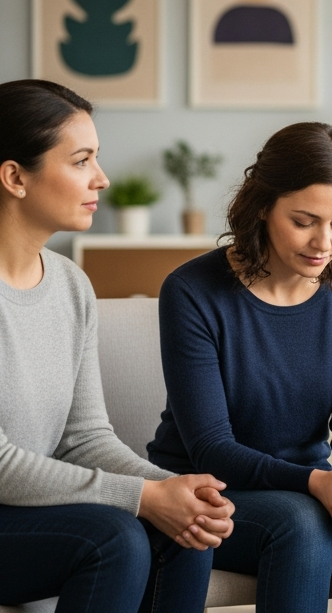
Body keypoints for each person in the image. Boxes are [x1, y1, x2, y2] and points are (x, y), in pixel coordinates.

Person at [147, 122, 332, 613]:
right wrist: (313, 483)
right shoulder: (192, 291)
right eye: (304, 221)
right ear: (263, 206)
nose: (324, 242)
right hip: (207, 490)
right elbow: (211, 447)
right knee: (300, 526)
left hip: (307, 485)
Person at [0, 79, 234, 613]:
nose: (101, 179)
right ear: (15, 177)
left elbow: (83, 438)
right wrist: (144, 497)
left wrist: (174, 490)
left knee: (186, 527)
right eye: (81, 161)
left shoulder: (70, 285)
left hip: (28, 512)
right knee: (115, 537)